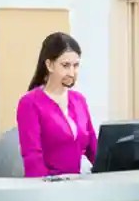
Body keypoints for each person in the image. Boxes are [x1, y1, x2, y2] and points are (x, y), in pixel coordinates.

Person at [15, 32, 97, 177]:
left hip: (80, 183)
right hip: (49, 186)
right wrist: (49, 188)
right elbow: (33, 158)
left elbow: (94, 149)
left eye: (76, 65)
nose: (72, 72)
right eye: (65, 65)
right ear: (49, 65)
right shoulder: (30, 104)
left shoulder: (79, 101)